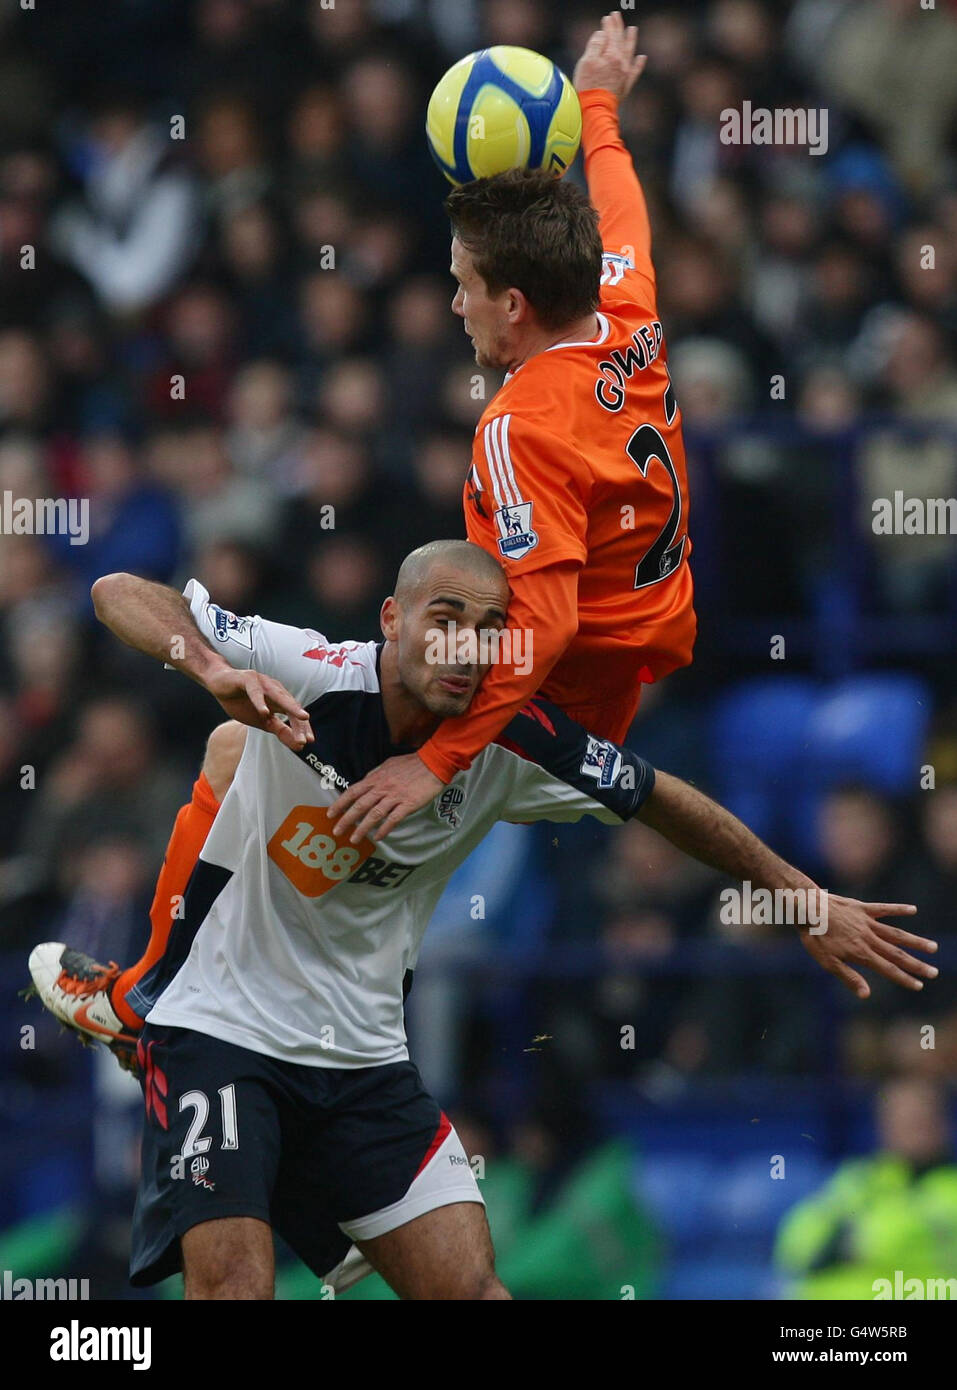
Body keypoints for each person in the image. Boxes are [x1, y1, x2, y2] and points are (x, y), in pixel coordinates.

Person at [29, 542, 937, 1299]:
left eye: (487, 630)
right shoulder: (310, 669)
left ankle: (159, 1021)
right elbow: (118, 593)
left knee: (472, 1291)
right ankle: (146, 996)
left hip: (360, 1057)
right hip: (220, 1031)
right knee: (236, 1286)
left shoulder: (512, 745)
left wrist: (803, 896)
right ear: (391, 619)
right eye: (444, 620)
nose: (465, 647)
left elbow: (660, 797)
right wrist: (216, 667)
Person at [328, 13, 698, 845]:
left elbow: (546, 624)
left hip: (542, 713)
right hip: (627, 664)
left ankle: (143, 982)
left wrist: (437, 760)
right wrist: (597, 103)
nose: (456, 304)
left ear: (515, 304)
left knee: (246, 745)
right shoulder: (624, 301)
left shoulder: (519, 426)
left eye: (465, 285)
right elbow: (619, 198)